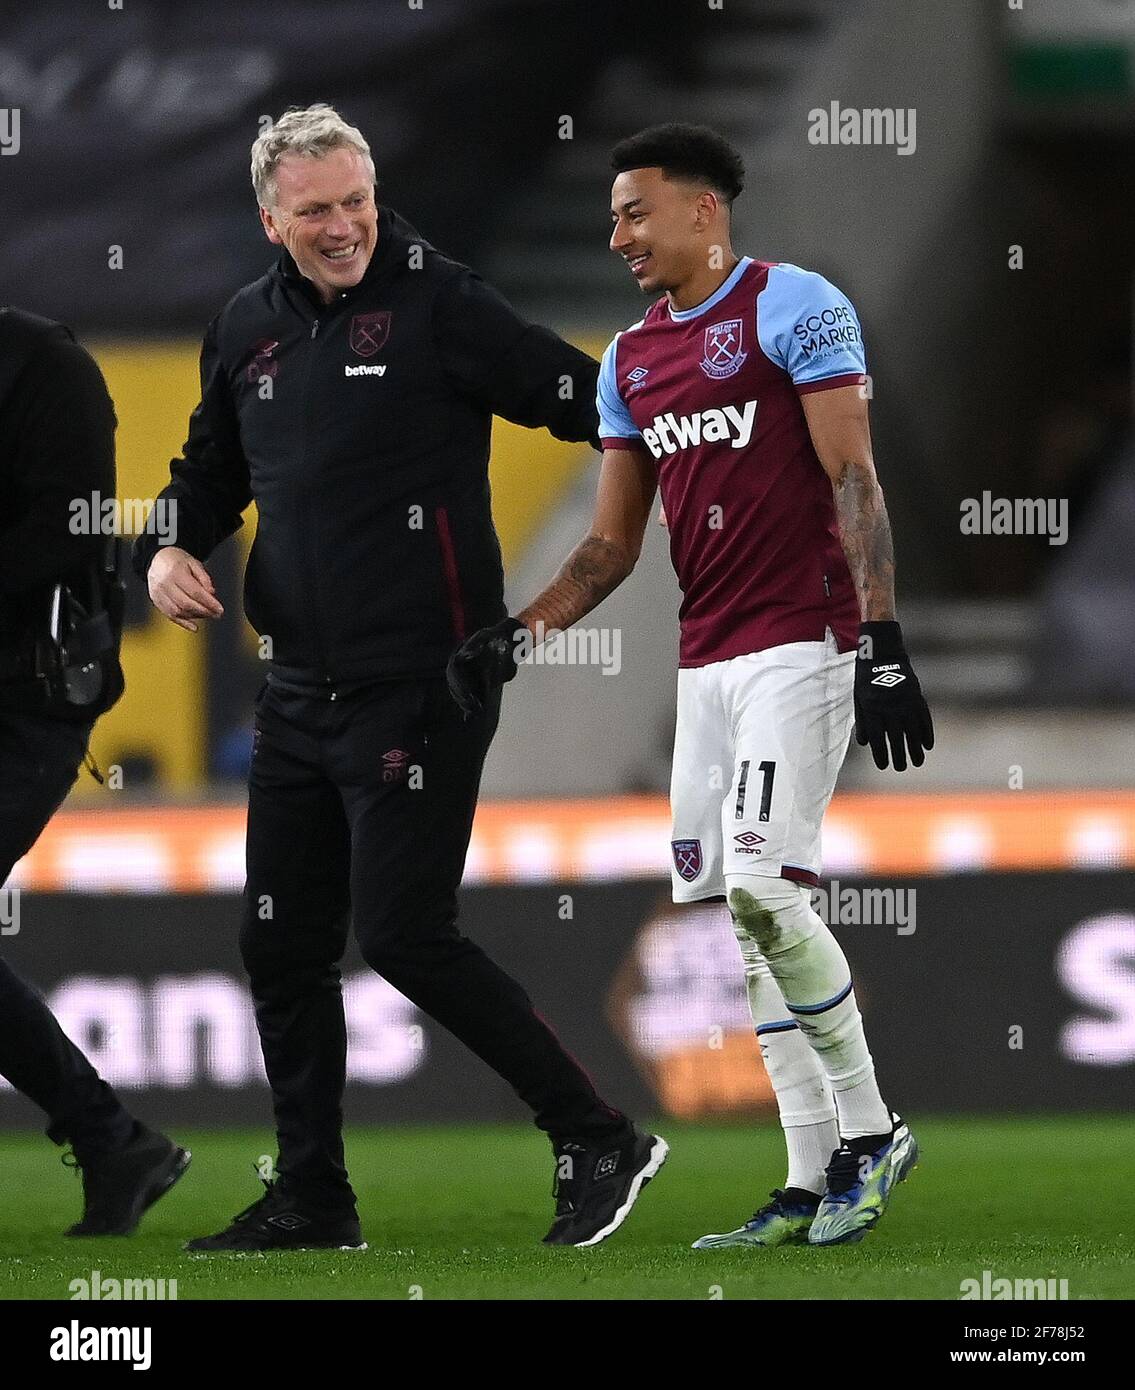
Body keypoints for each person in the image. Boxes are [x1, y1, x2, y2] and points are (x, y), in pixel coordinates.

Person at [133, 104, 665, 1253]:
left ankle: (596, 1134)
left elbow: (595, 406)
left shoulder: (442, 304)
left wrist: (700, 455)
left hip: (425, 680)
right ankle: (315, 1198)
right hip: (296, 694)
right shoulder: (243, 329)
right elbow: (207, 474)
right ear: (269, 217)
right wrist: (167, 546)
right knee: (280, 945)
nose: (342, 227)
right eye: (315, 209)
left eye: (356, 202)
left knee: (405, 933)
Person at [448, 123, 933, 1249]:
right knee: (741, 921)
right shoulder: (629, 360)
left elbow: (852, 476)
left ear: (704, 211)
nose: (615, 234)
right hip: (705, 664)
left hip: (800, 642)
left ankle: (871, 1129)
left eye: (633, 211)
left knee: (767, 885)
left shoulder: (794, 306)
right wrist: (519, 634)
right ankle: (809, 1175)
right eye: (613, 216)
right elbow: (611, 547)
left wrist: (883, 639)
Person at [0, 305, 189, 1235]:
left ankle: (113, 1138)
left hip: (23, 697)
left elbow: (66, 536)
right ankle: (114, 1142)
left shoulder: (42, 366)